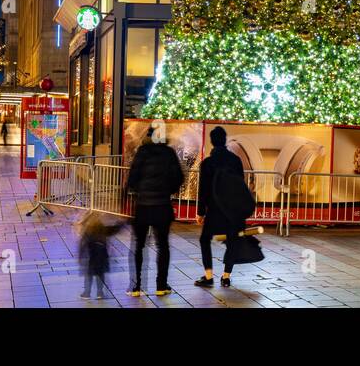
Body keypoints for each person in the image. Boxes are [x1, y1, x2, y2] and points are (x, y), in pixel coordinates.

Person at [125, 127, 184, 296]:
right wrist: (167, 191)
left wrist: (140, 191)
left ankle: (136, 287)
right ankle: (161, 286)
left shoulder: (142, 152)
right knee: (163, 245)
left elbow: (132, 179)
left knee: (139, 246)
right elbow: (179, 178)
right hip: (162, 207)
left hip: (143, 206)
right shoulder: (169, 153)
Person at [194, 126, 252, 288]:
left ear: (212, 142)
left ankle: (208, 275)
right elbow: (240, 185)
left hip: (214, 210)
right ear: (225, 140)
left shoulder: (208, 163)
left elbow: (203, 190)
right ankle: (226, 276)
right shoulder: (236, 161)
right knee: (232, 241)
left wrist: (200, 212)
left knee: (204, 239)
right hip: (233, 210)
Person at [77, 212, 123, 299]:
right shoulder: (102, 228)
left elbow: (83, 244)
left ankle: (87, 292)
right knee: (100, 274)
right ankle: (100, 292)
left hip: (92, 255)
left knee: (89, 274)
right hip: (102, 254)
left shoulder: (88, 230)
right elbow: (114, 230)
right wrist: (120, 223)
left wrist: (81, 256)